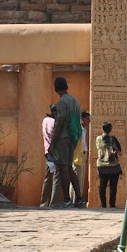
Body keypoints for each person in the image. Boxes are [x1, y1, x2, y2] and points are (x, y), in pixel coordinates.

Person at [49, 77, 81, 208]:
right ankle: (79, 198)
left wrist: (52, 142)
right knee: (69, 167)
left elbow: (60, 122)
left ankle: (67, 199)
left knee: (63, 167)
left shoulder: (61, 102)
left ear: (56, 87)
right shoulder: (75, 101)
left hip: (63, 137)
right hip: (73, 136)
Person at [95, 122, 123, 208]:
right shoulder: (113, 139)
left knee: (102, 185)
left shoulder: (98, 138)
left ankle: (103, 204)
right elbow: (119, 150)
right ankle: (112, 204)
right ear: (110, 129)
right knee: (113, 186)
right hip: (113, 165)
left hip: (101, 165)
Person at [68, 110, 92, 207]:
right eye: (87, 119)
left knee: (80, 179)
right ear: (82, 119)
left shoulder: (83, 130)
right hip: (77, 156)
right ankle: (73, 200)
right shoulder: (78, 129)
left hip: (81, 155)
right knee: (75, 179)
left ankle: (77, 199)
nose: (89, 121)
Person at [39, 104, 58, 208]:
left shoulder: (45, 120)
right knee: (56, 177)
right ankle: (53, 203)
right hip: (54, 152)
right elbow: (54, 133)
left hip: (47, 152)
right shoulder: (53, 122)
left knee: (48, 177)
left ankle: (44, 202)